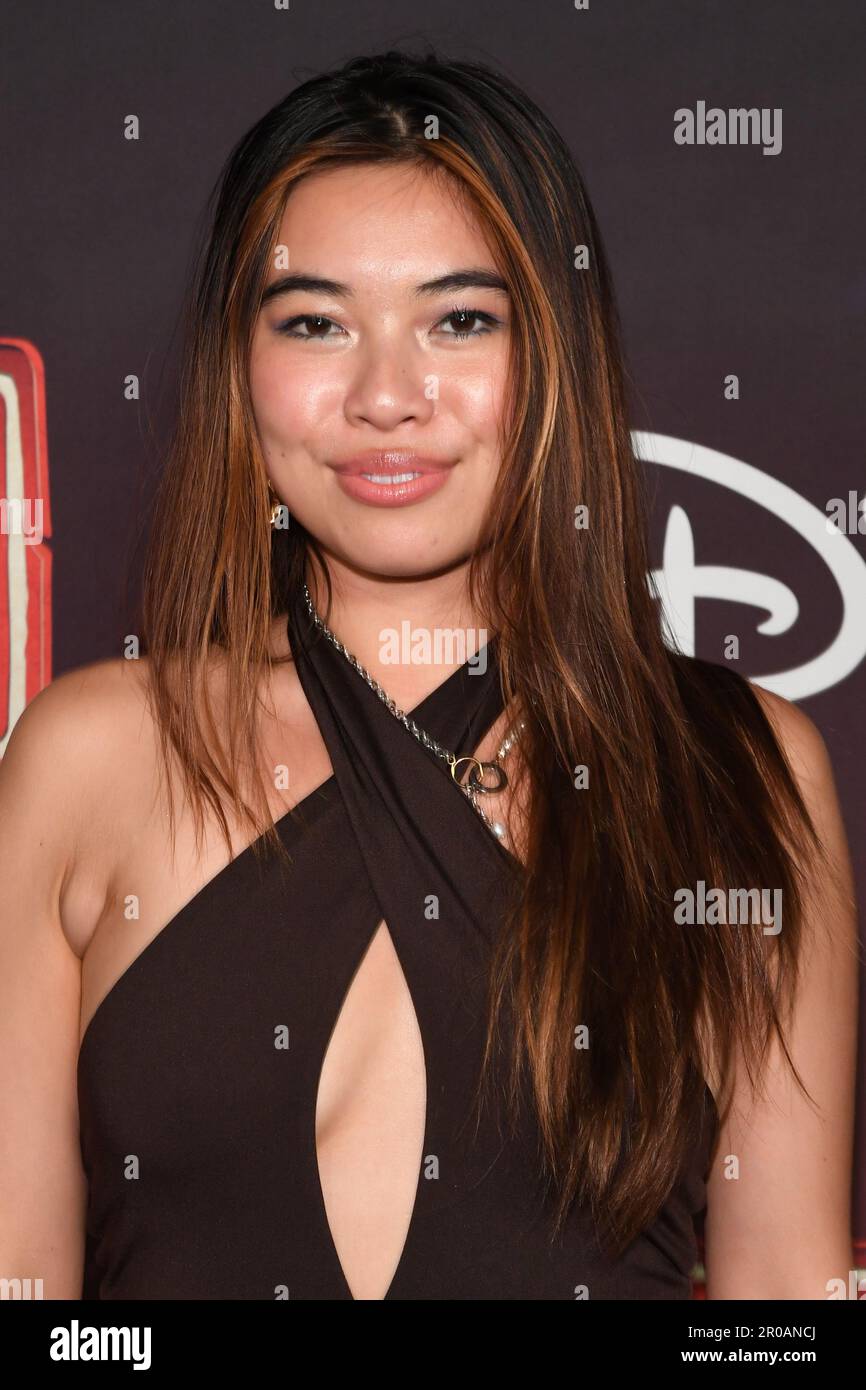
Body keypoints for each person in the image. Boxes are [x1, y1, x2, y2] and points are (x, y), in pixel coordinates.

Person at [0, 49, 858, 1301]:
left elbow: (779, 1303)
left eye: (459, 320)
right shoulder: (89, 758)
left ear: (553, 356)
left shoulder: (734, 768)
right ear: (237, 368)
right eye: (314, 323)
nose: (387, 397)